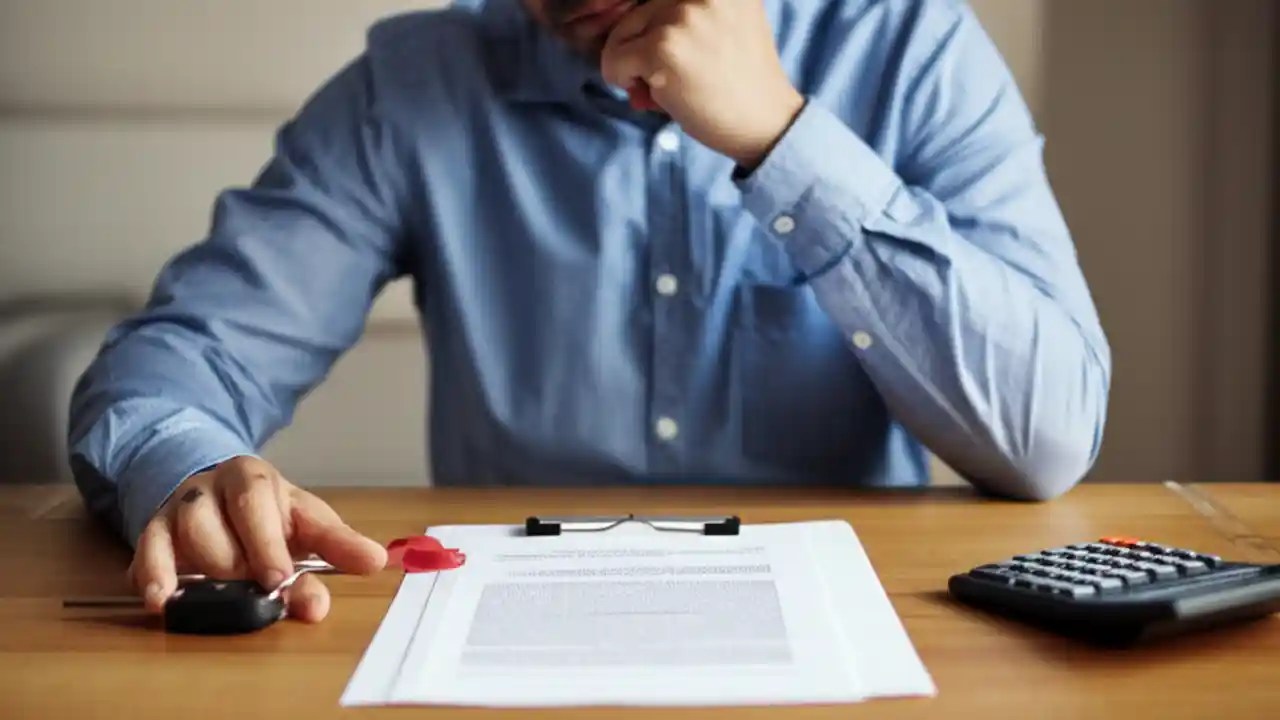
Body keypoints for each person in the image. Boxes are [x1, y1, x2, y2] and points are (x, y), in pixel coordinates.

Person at [68, 0, 1111, 622]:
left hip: (852, 640)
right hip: (490, 643)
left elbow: (1044, 437)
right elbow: (179, 362)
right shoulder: (413, 84)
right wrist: (187, 466)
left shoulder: (908, 45)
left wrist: (785, 143)